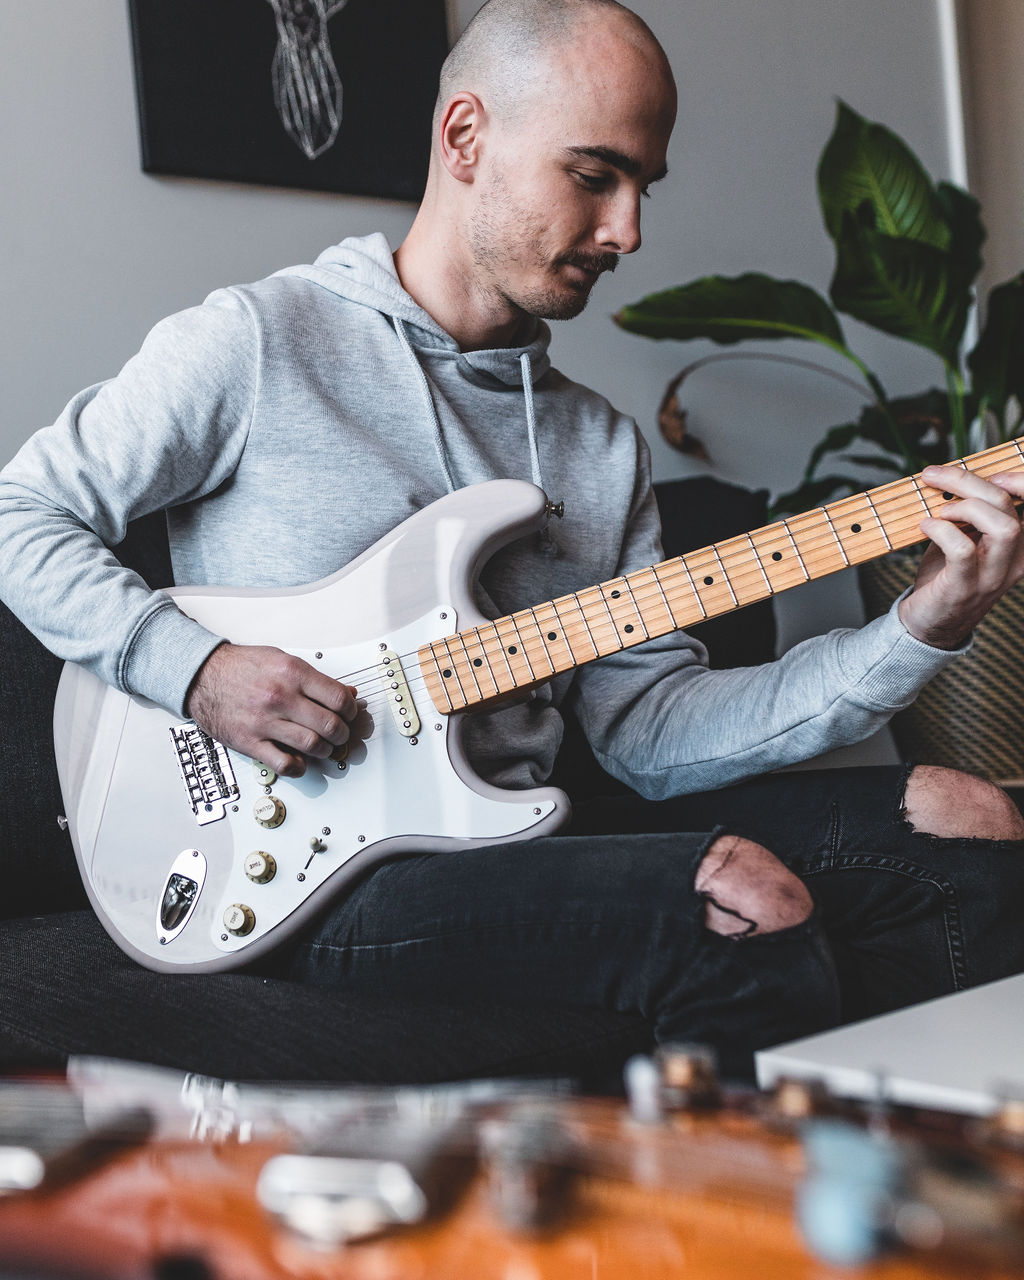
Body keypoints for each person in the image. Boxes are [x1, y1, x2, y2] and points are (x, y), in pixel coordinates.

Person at [2, 0, 1023, 1080]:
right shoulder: (257, 344)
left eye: (642, 187)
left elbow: (648, 732)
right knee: (742, 910)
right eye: (594, 175)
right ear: (465, 137)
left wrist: (916, 628)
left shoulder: (594, 442)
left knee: (970, 831)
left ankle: (938, 1194)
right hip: (298, 865)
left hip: (511, 835)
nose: (629, 229)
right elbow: (19, 513)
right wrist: (196, 669)